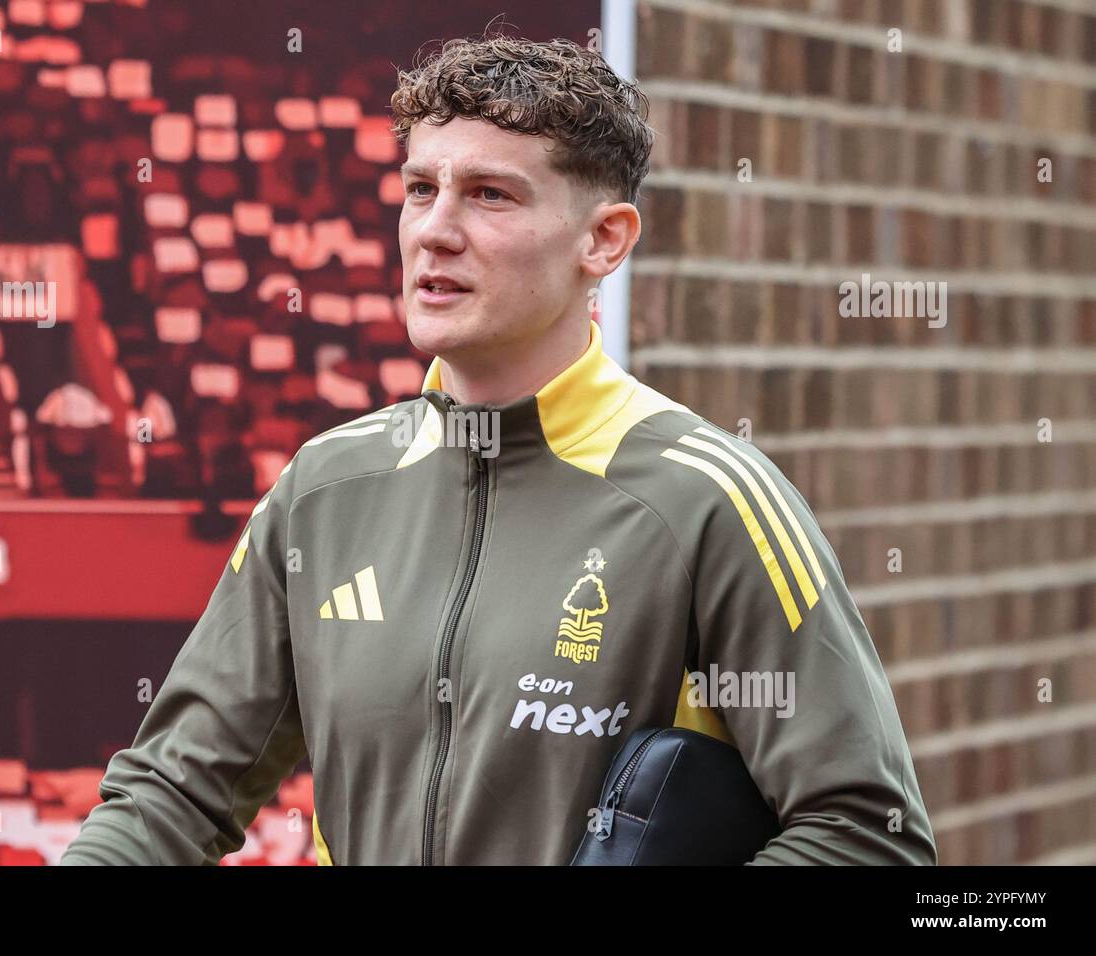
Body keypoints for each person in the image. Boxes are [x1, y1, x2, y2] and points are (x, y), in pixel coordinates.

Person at [61, 35, 936, 866]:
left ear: (605, 241)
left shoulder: (710, 500)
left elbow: (866, 831)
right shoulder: (324, 490)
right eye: (418, 189)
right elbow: (172, 793)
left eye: (489, 194)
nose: (434, 231)